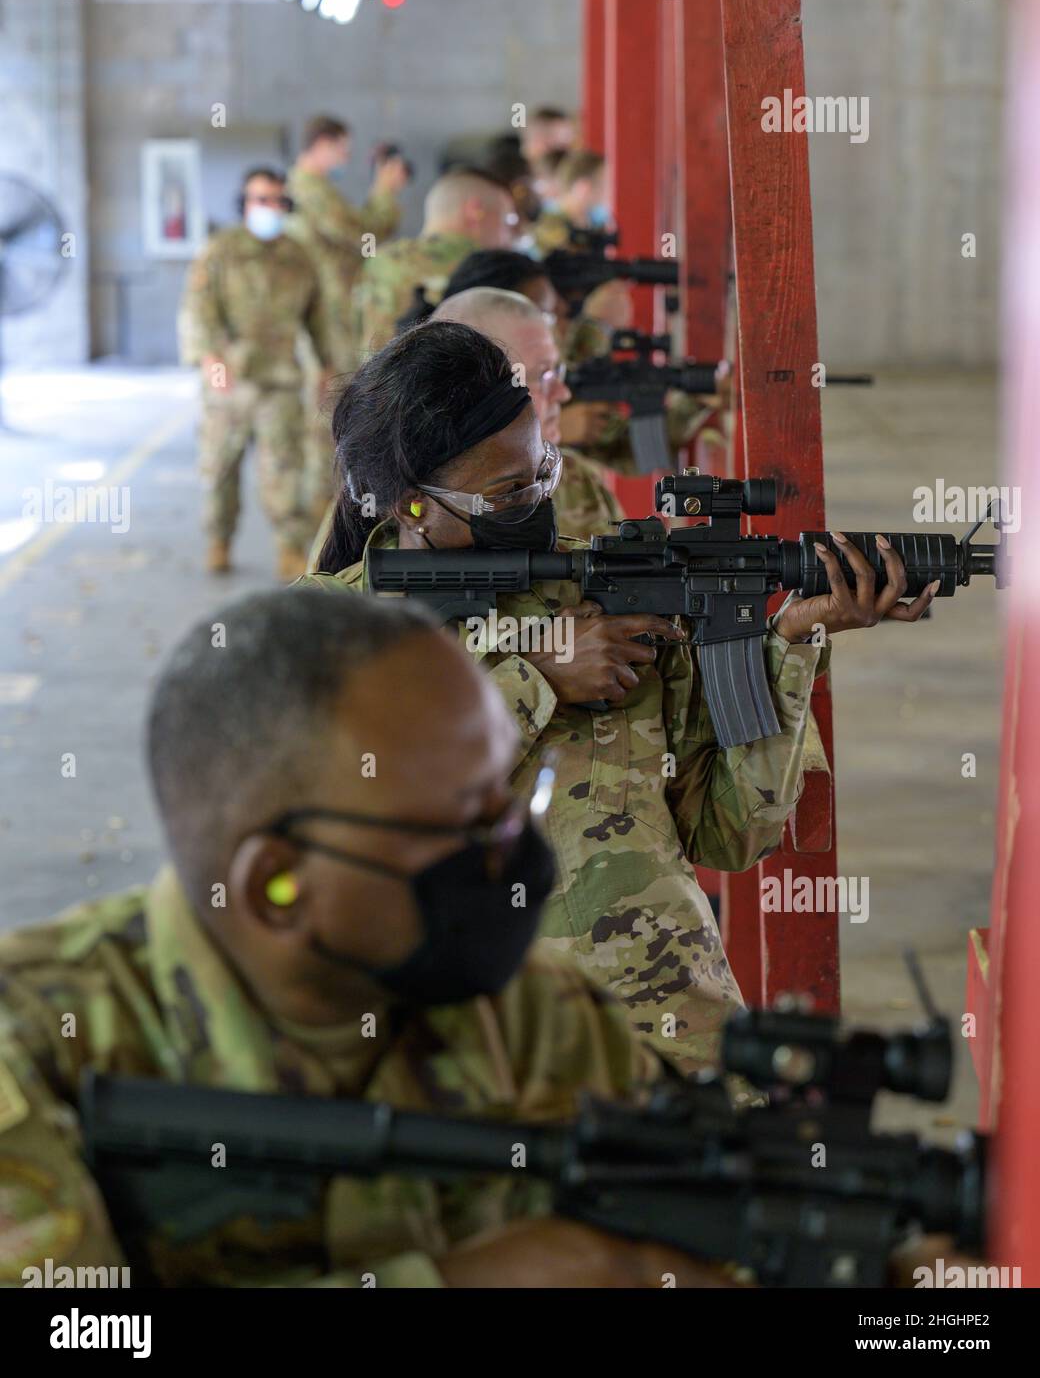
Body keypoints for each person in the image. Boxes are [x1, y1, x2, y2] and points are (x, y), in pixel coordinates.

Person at [0, 589, 732, 1289]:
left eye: (510, 802)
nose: (515, 854)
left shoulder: (540, 1017)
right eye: (465, 828)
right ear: (276, 886)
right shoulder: (34, 1047)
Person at [304, 322, 937, 1073]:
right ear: (412, 507)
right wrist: (540, 679)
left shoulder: (606, 589)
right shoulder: (323, 630)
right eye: (509, 492)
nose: (540, 499)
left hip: (665, 1033)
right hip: (462, 1055)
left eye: (544, 472)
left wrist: (792, 643)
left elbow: (731, 833)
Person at [178, 167, 332, 580]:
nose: (270, 208)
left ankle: (290, 548)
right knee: (219, 469)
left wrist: (327, 366)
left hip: (279, 381)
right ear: (244, 203)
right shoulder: (220, 251)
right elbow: (199, 309)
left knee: (285, 469)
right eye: (260, 199)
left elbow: (318, 318)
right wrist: (210, 358)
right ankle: (219, 540)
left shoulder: (299, 257)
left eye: (278, 201)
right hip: (228, 383)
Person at [432, 285, 624, 541]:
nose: (562, 393)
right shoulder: (432, 511)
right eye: (542, 375)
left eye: (557, 371)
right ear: (475, 393)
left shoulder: (577, 480)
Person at [287, 116, 409, 515]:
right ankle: (316, 524)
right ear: (322, 143)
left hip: (332, 316)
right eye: (342, 147)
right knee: (326, 419)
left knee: (330, 414)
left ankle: (321, 517)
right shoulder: (312, 189)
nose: (346, 156)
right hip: (329, 319)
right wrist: (385, 189)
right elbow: (365, 235)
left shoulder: (312, 189)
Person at [352, 168, 518, 357]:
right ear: (475, 211)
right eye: (508, 220)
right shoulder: (488, 270)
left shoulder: (381, 261)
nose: (509, 237)